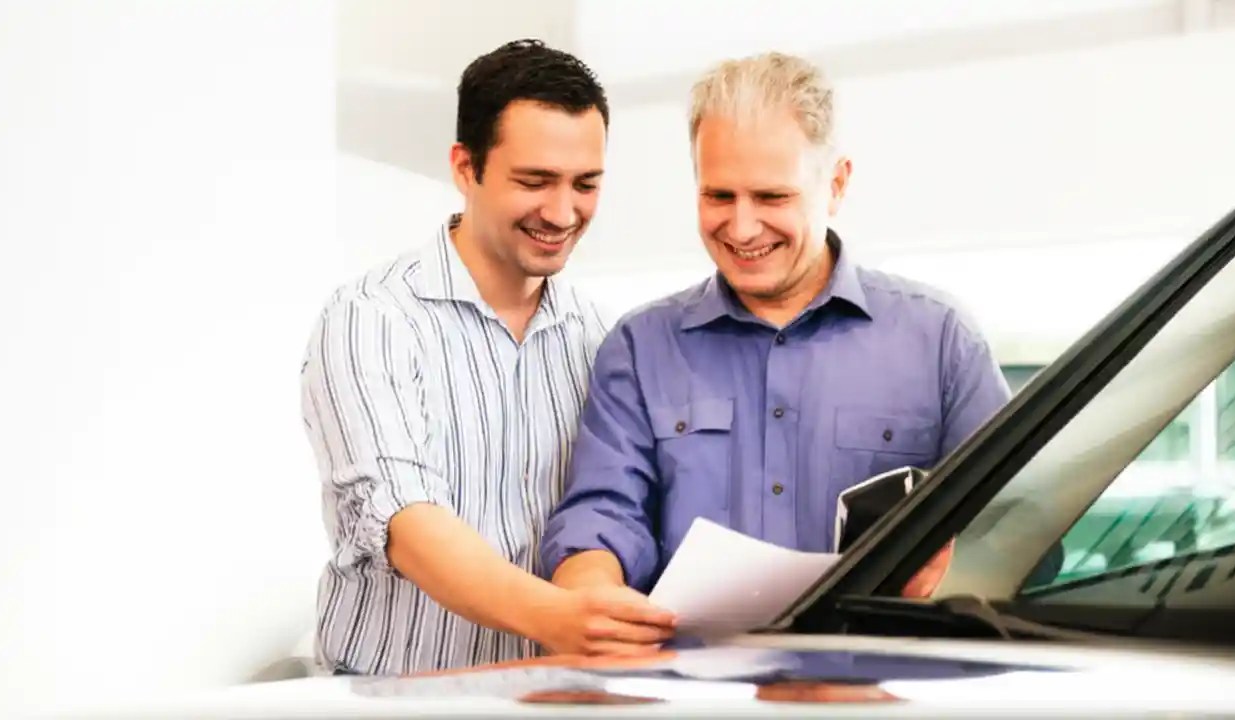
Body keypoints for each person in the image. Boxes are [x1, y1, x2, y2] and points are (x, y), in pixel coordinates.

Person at [540, 51, 1011, 608]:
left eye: (772, 197)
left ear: (836, 184)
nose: (742, 228)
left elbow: (1011, 526)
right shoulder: (639, 348)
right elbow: (604, 514)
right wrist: (589, 591)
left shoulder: (942, 343)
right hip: (690, 664)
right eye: (719, 196)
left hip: (876, 662)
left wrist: (953, 563)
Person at [300, 39, 675, 676]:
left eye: (585, 184)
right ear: (465, 167)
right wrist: (561, 618)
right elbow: (406, 523)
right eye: (534, 182)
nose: (562, 212)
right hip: (391, 698)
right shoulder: (371, 319)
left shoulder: (599, 338)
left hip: (545, 698)